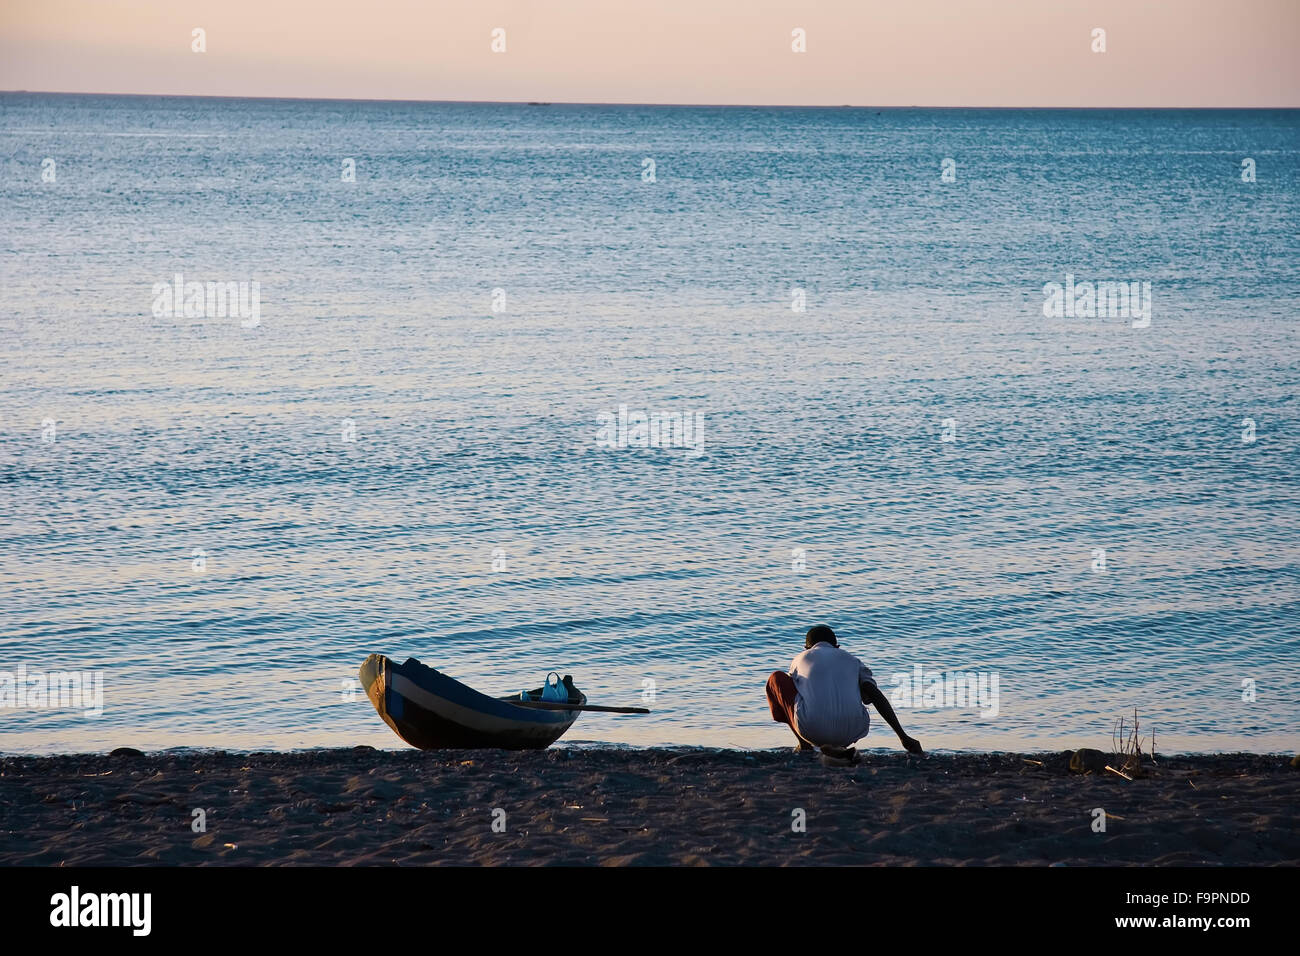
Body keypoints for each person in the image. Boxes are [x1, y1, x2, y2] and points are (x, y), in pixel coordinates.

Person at [766, 624, 923, 763]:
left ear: (807, 648)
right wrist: (903, 736)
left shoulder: (800, 658)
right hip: (852, 730)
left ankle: (805, 745)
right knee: (862, 688)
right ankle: (838, 748)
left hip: (811, 729)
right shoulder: (853, 660)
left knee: (777, 679)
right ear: (837, 646)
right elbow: (874, 695)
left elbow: (789, 695)